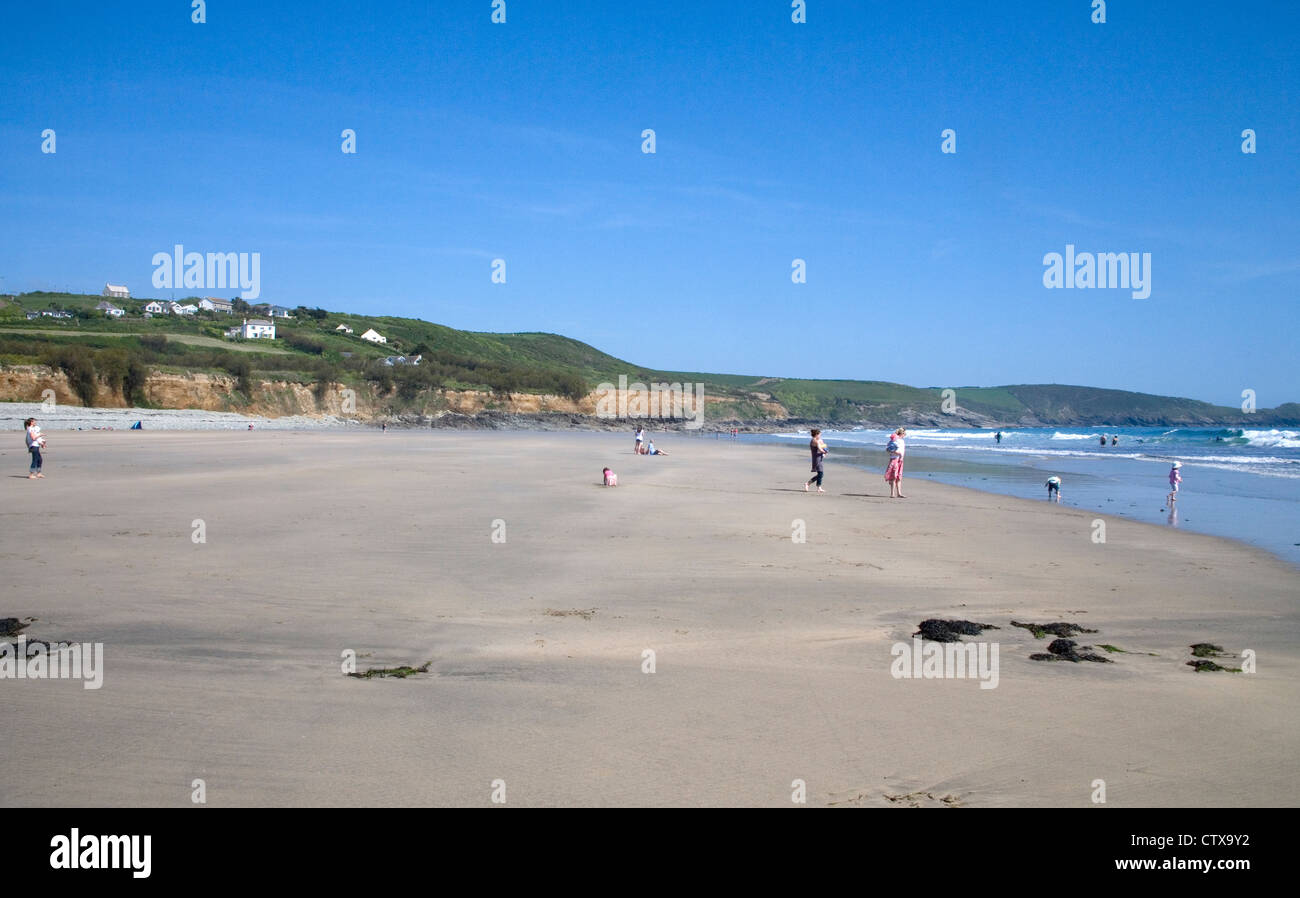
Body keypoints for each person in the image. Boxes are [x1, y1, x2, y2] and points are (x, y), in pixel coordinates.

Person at [885, 428, 907, 498]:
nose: (905, 435)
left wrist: (901, 456)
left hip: (900, 460)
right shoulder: (895, 440)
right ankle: (892, 493)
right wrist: (897, 453)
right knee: (894, 477)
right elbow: (888, 449)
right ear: (902, 433)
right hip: (894, 459)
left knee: (899, 477)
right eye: (904, 434)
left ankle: (899, 493)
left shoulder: (902, 441)